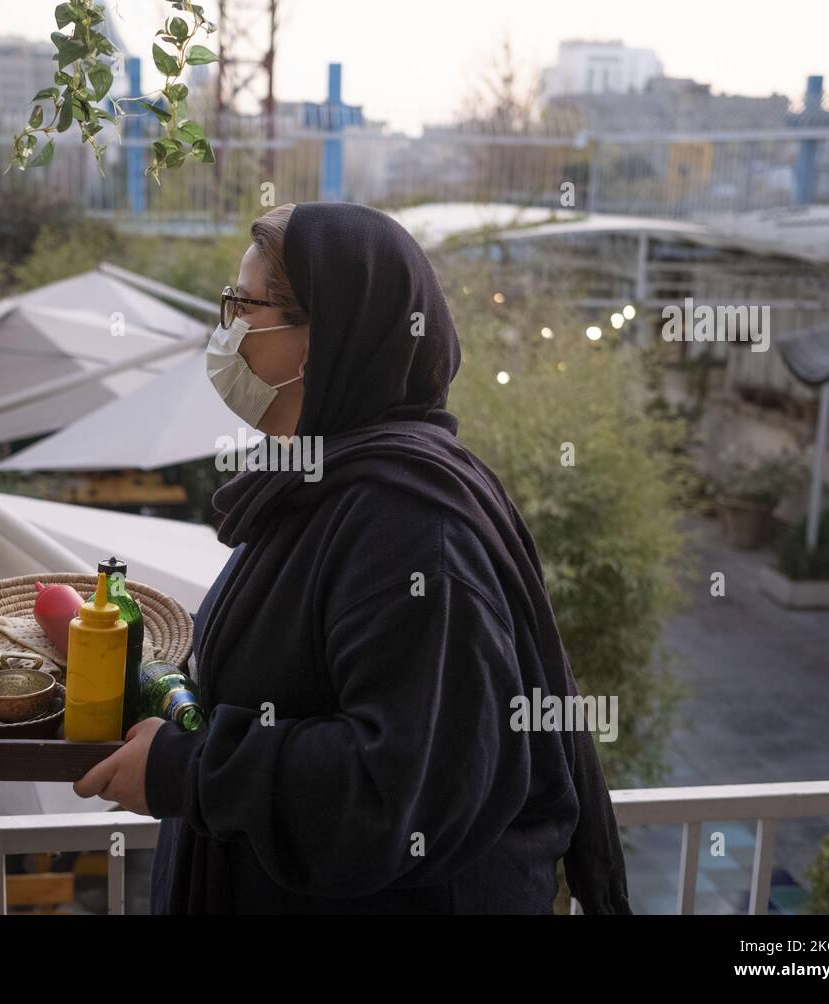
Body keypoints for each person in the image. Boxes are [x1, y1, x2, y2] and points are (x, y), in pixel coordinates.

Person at [74, 201, 631, 914]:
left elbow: (400, 786)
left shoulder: (409, 524)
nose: (227, 330)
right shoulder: (321, 483)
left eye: (242, 305)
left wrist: (192, 771)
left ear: (323, 339)